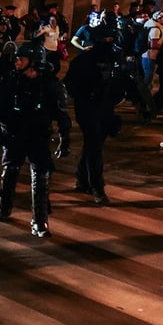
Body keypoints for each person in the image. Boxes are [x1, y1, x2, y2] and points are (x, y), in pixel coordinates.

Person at [0, 44, 63, 238]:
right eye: (17, 57)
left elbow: (60, 113)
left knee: (41, 176)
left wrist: (65, 138)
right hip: (14, 134)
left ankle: (40, 221)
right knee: (10, 171)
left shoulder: (49, 84)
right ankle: (4, 208)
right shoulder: (8, 81)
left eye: (22, 58)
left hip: (38, 135)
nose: (17, 61)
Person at [63, 25, 125, 204]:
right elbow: (69, 85)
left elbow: (122, 82)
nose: (110, 41)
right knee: (94, 145)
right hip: (87, 108)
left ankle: (82, 179)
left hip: (106, 108)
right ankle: (97, 187)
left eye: (111, 38)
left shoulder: (115, 58)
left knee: (93, 145)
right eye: (107, 38)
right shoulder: (84, 61)